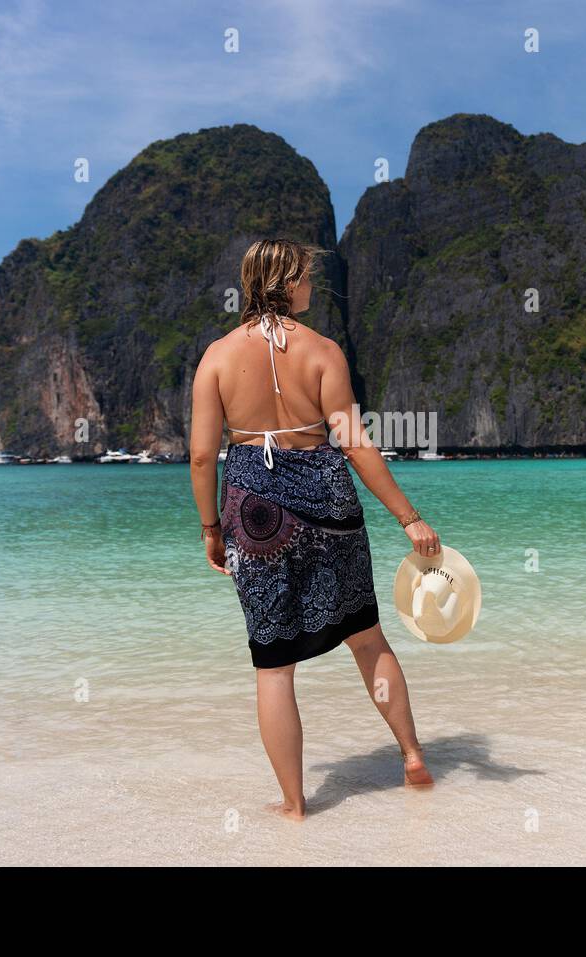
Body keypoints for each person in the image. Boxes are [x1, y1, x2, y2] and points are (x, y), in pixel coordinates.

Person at [189, 238, 440, 819]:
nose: (311, 287)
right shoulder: (323, 351)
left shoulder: (218, 358)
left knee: (274, 667)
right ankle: (410, 756)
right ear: (283, 282)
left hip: (254, 513)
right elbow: (353, 443)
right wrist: (409, 517)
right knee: (367, 638)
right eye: (304, 277)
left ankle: (296, 805)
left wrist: (210, 528)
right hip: (329, 502)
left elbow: (203, 457)